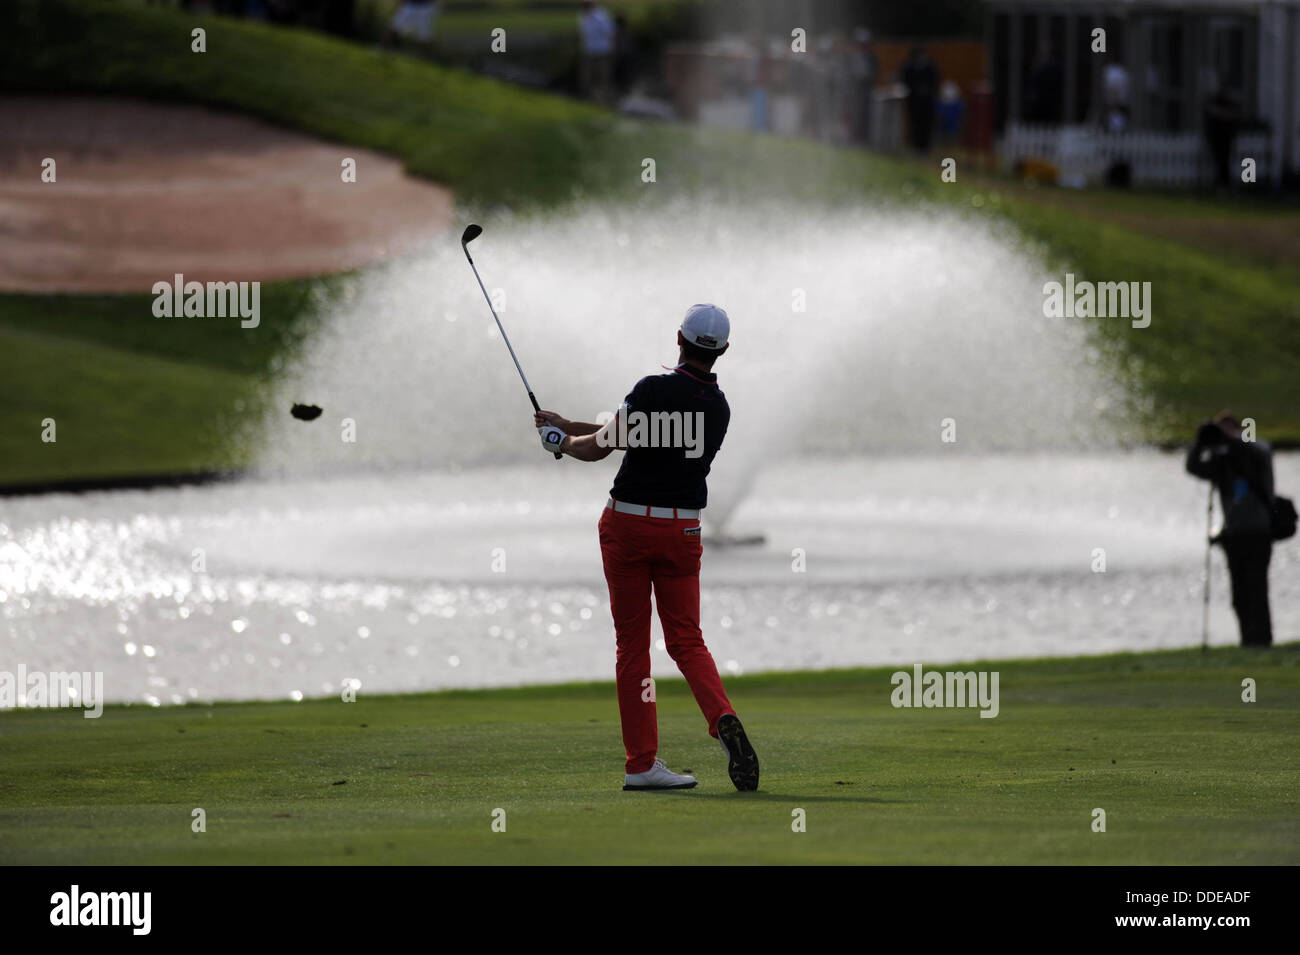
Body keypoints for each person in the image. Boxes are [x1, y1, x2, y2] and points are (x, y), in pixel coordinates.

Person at [532, 304, 760, 792]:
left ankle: (641, 764)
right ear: (722, 350)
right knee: (686, 641)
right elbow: (629, 437)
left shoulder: (651, 389)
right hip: (682, 533)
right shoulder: (718, 408)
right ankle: (721, 716)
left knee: (632, 647)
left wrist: (561, 442)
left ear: (678, 337)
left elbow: (603, 446)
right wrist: (567, 425)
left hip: (628, 527)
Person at [1186, 412, 1275, 647]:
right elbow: (1193, 467)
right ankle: (1248, 640)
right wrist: (1200, 442)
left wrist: (1232, 440)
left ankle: (1261, 640)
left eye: (1227, 429)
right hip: (1233, 535)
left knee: (1257, 588)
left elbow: (1261, 449)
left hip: (1258, 532)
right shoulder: (1222, 463)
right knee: (1239, 594)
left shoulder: (1256, 453)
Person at [899, 45, 939, 153]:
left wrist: (928, 90)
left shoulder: (930, 66)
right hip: (914, 100)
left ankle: (925, 146)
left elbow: (935, 81)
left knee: (926, 123)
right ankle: (916, 145)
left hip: (927, 100)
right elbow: (904, 81)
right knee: (916, 123)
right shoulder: (909, 67)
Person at [577, 1, 616, 104]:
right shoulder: (583, 16)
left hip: (601, 52)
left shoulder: (601, 17)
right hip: (588, 52)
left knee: (601, 78)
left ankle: (602, 100)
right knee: (587, 77)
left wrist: (611, 49)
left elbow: (610, 33)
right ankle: (588, 99)